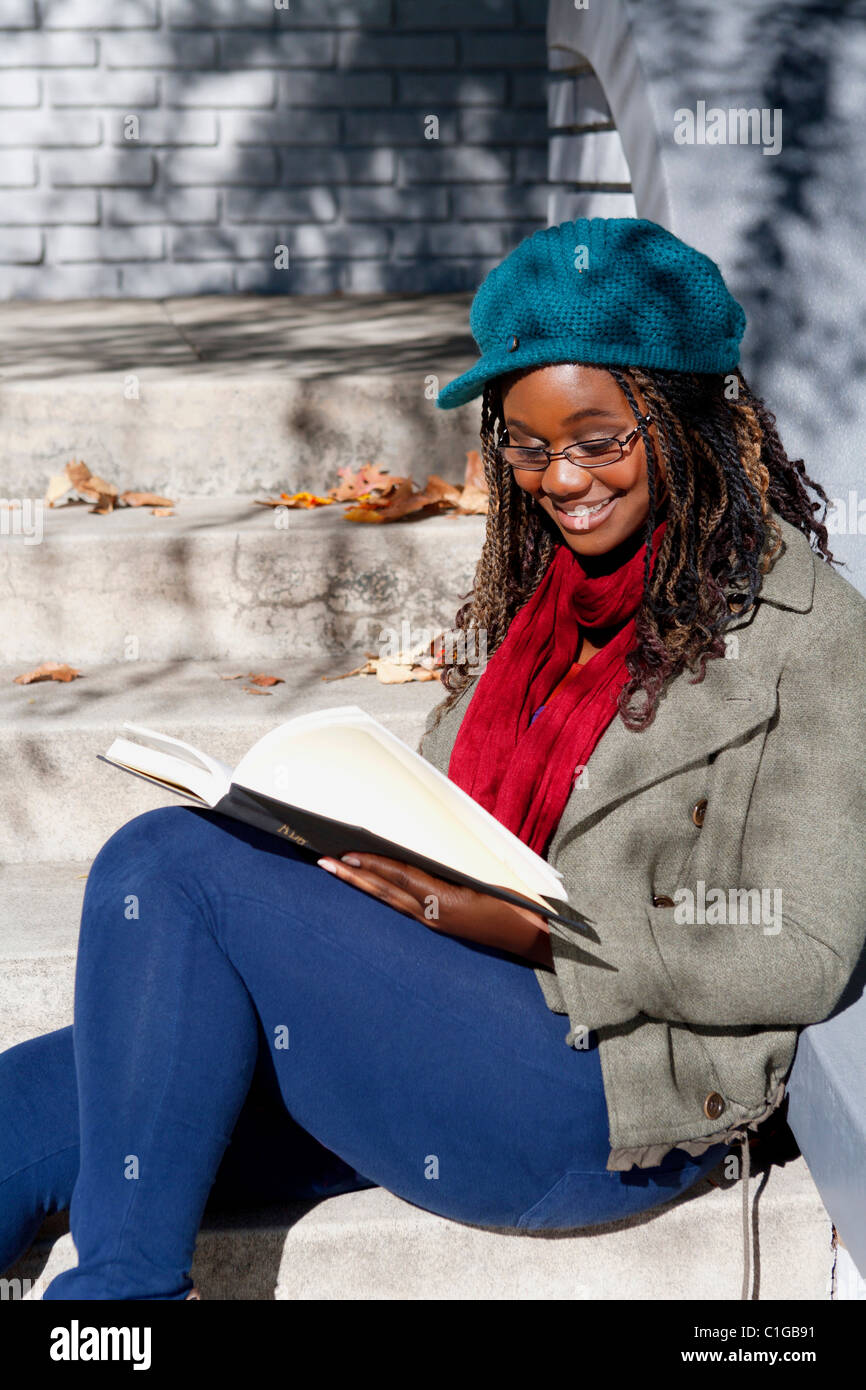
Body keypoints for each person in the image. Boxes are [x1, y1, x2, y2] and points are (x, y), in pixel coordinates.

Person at [1, 218, 864, 1303]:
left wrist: (542, 935)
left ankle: (126, 1307)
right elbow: (438, 823)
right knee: (27, 1108)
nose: (562, 480)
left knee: (165, 864)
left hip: (598, 1093)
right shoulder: (535, 611)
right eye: (528, 445)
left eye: (597, 439)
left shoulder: (807, 632)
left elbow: (806, 943)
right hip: (438, 1022)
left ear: (686, 420)